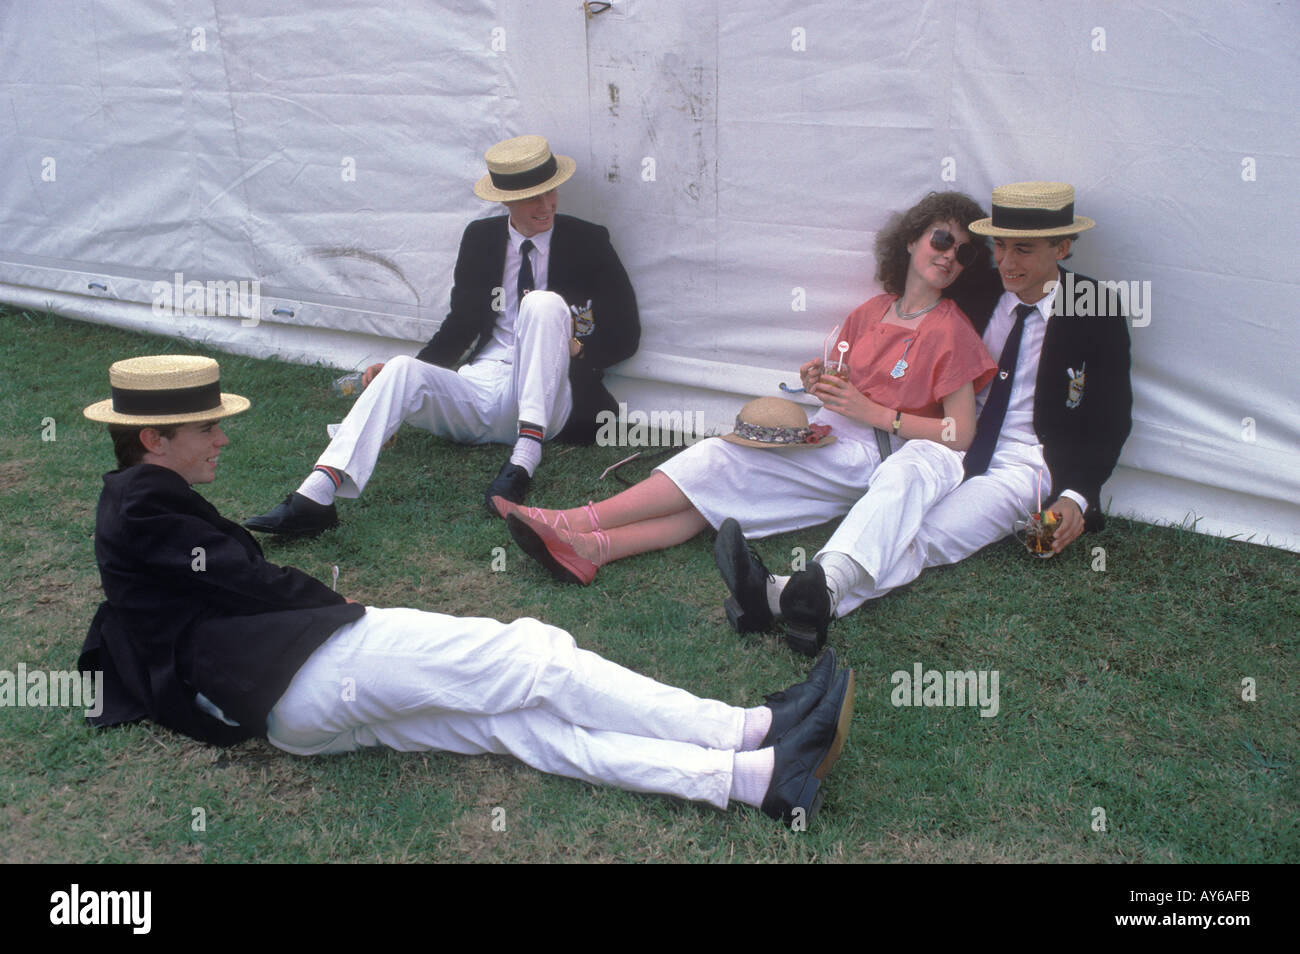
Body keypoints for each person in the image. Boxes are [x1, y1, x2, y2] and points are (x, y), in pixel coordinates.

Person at [78, 355, 852, 826]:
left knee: (514, 729)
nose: (220, 437)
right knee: (535, 659)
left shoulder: (131, 500)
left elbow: (155, 605)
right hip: (305, 670)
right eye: (206, 427)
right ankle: (745, 727)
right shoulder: (146, 504)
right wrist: (337, 607)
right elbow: (245, 579)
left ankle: (749, 782)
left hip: (289, 711)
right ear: (154, 439)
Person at [496, 191, 999, 654]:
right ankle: (590, 547)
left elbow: (961, 434)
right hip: (828, 437)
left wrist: (874, 413)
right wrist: (816, 378)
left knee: (723, 465)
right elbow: (846, 379)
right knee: (721, 472)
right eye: (941, 239)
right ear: (911, 240)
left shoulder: (950, 330)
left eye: (965, 253)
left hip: (881, 452)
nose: (950, 254)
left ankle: (571, 520)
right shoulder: (870, 312)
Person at [718, 181, 1133, 648]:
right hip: (949, 439)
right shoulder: (975, 291)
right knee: (900, 478)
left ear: (1063, 246)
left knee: (927, 535)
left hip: (1022, 463)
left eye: (1024, 250)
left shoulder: (1094, 309)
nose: (1007, 263)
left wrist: (1076, 496)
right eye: (998, 247)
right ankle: (809, 597)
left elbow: (1110, 418)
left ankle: (785, 594)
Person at [244, 134, 640, 533]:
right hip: (483, 386)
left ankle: (523, 461)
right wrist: (405, 386)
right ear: (504, 199)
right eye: (530, 197)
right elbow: (461, 325)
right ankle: (316, 496)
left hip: (553, 396)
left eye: (550, 192)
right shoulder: (481, 238)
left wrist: (576, 348)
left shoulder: (588, 240)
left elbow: (627, 332)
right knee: (400, 369)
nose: (545, 205)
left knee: (542, 303)